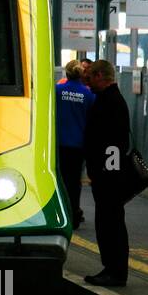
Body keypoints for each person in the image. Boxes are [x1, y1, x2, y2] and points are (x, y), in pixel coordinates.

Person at [83, 60, 130, 287]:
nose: (87, 81)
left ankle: (115, 270)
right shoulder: (110, 100)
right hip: (107, 174)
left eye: (90, 76)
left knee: (110, 222)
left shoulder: (110, 102)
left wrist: (106, 172)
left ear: (101, 75)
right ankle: (112, 268)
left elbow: (114, 142)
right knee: (109, 222)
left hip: (108, 177)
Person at [56, 59, 95, 228]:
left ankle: (60, 212)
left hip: (60, 143)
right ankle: (74, 213)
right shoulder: (88, 94)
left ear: (66, 73)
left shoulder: (57, 91)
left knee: (60, 179)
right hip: (79, 145)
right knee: (75, 181)